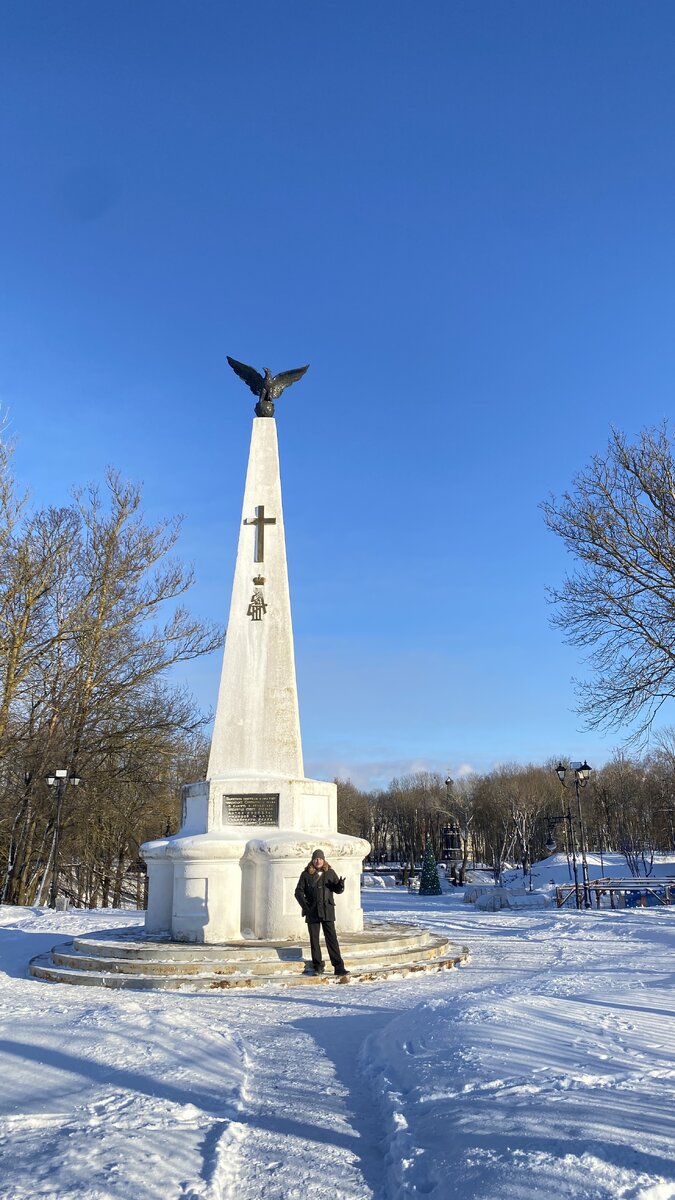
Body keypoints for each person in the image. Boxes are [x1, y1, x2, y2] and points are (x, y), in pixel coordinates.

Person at [294, 849, 348, 977]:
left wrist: (340, 885)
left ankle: (339, 967)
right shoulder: (306, 874)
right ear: (312, 860)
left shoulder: (330, 872)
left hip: (327, 910)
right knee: (314, 940)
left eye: (320, 859)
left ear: (323, 860)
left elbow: (337, 890)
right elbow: (298, 892)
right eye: (315, 859)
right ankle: (317, 966)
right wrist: (306, 907)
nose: (318, 861)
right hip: (312, 912)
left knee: (332, 940)